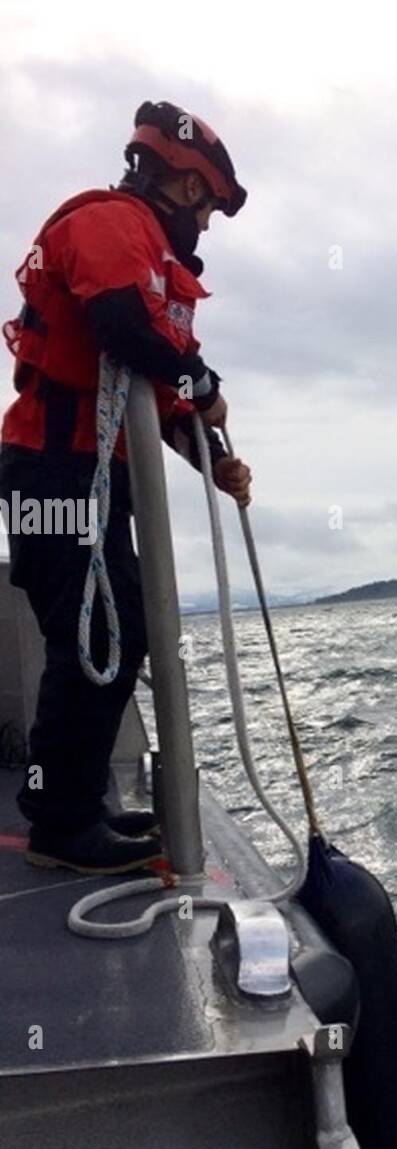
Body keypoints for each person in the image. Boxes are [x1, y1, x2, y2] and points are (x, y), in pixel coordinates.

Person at [0, 101, 252, 872]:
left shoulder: (155, 265)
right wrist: (204, 383)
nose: (204, 226)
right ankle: (60, 825)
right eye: (206, 208)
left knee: (118, 630)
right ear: (186, 185)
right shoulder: (109, 224)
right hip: (52, 470)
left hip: (99, 476)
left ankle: (76, 806)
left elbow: (160, 398)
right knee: (95, 637)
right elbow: (121, 326)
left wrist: (215, 461)